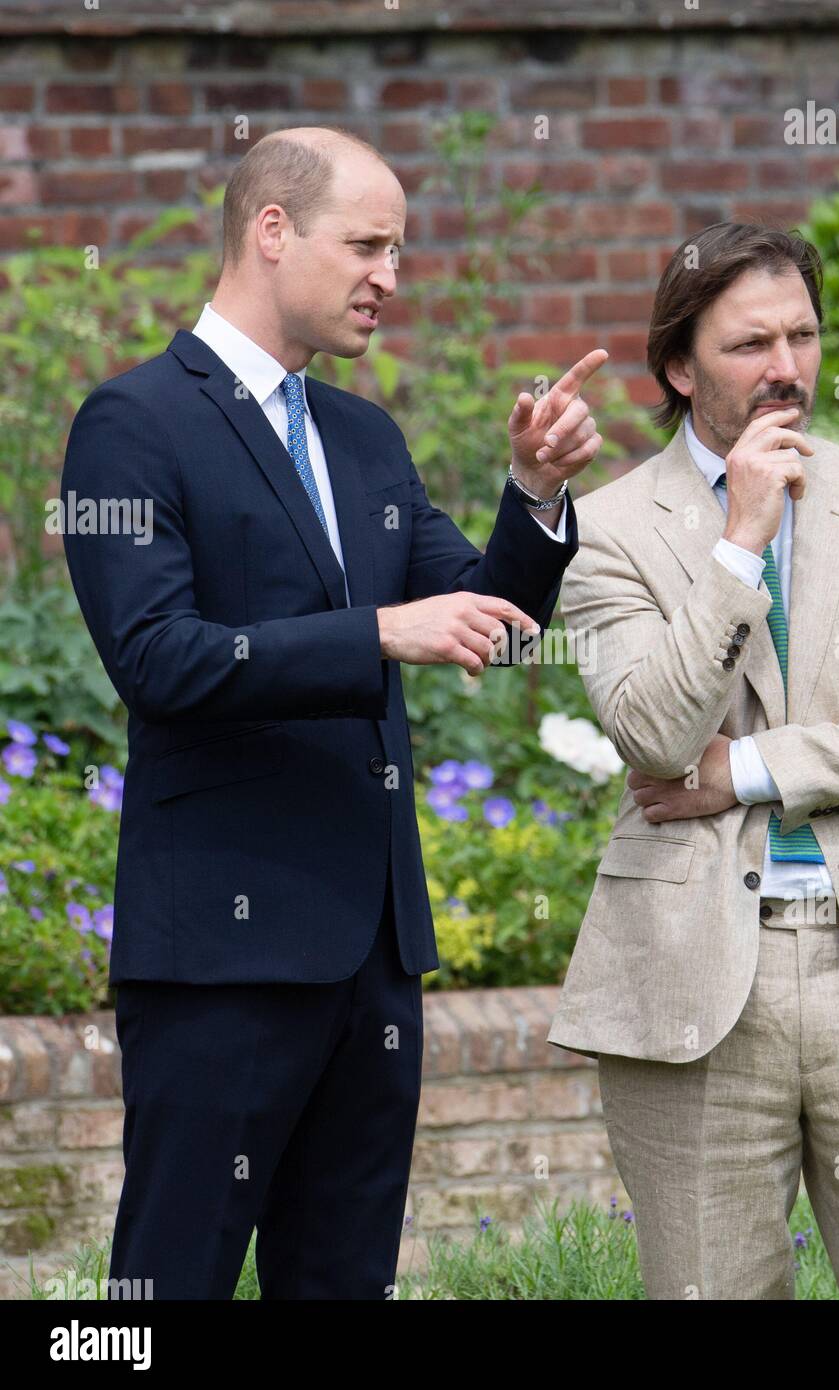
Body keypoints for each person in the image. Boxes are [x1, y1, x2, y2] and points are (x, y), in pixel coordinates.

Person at [61, 125, 606, 1299]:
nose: (390, 279)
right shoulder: (133, 423)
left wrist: (534, 493)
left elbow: (483, 611)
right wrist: (374, 631)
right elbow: (158, 659)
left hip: (371, 961)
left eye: (398, 252)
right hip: (219, 958)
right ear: (271, 231)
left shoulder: (364, 437)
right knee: (164, 1291)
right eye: (366, 245)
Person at [546, 221, 839, 1300]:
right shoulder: (609, 528)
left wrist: (749, 770)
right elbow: (654, 736)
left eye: (801, 336)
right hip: (692, 979)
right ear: (677, 365)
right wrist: (739, 541)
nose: (785, 369)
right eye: (748, 344)